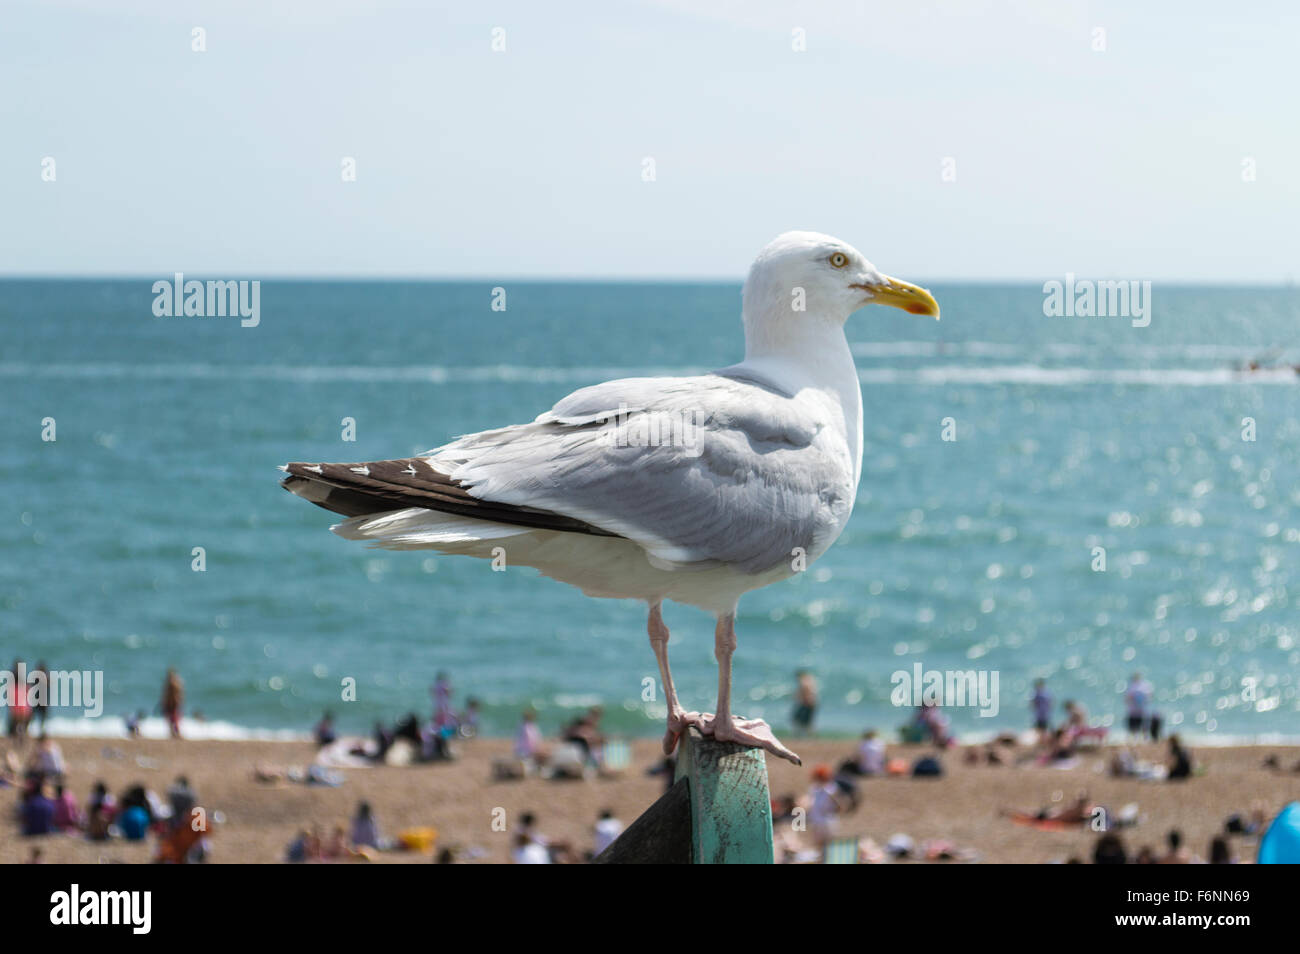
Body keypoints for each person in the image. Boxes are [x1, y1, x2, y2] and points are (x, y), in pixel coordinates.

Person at [806, 764, 846, 851]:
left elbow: (840, 806)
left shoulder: (831, 789)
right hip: (816, 820)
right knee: (818, 847)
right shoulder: (814, 788)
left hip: (828, 821)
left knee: (829, 846)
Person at [6, 659, 32, 744]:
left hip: (16, 705)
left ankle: (15, 739)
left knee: (15, 724)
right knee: (23, 725)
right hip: (24, 706)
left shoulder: (12, 680)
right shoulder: (23, 679)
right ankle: (21, 737)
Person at [1125, 672, 1154, 739]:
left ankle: (1140, 740)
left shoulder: (1133, 686)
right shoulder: (1134, 686)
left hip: (1138, 711)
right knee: (1137, 728)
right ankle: (1140, 740)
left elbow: (1127, 699)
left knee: (1140, 728)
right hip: (1136, 711)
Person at [792, 670, 819, 735]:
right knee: (806, 721)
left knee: (799, 719)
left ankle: (803, 735)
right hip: (811, 704)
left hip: (807, 704)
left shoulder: (803, 681)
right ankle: (808, 735)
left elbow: (805, 691)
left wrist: (798, 697)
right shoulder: (809, 680)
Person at [160, 668, 184, 739]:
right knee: (173, 719)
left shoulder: (172, 683)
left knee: (174, 719)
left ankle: (175, 733)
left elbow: (173, 694)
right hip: (172, 702)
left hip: (172, 703)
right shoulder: (176, 682)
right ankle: (174, 733)